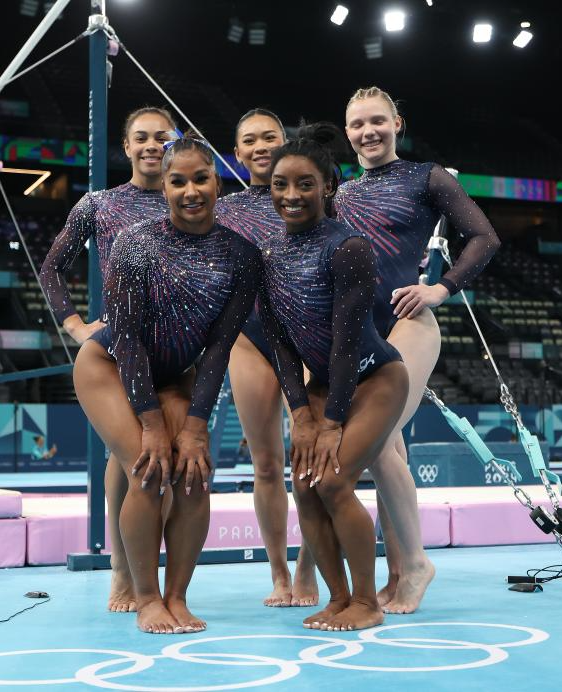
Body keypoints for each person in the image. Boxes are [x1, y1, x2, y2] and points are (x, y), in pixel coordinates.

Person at [74, 135, 262, 634]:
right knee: (148, 468)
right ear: (164, 188)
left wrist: (196, 427)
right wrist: (152, 426)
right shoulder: (135, 244)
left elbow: (218, 348)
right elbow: (128, 341)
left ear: (217, 183)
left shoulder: (242, 256)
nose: (190, 191)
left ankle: (177, 596)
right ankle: (145, 598)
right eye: (178, 182)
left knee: (194, 472)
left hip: (177, 377)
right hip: (108, 368)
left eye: (200, 179)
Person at [335, 86, 501, 613]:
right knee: (390, 451)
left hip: (409, 322)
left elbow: (484, 238)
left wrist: (441, 288)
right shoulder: (341, 193)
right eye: (358, 124)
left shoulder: (427, 177)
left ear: (397, 123)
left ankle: (417, 564)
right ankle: (398, 572)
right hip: (360, 331)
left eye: (377, 121)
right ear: (347, 133)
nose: (369, 132)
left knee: (378, 437)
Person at [258, 125, 409, 632]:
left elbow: (346, 343)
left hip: (375, 378)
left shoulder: (349, 247)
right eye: (280, 184)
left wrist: (332, 422)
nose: (291, 195)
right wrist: (301, 414)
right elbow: (280, 343)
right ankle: (339, 598)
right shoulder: (268, 255)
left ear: (327, 187)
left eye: (305, 184)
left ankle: (367, 601)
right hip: (324, 385)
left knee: (334, 480)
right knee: (304, 487)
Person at [39, 106, 176, 613]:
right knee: (132, 457)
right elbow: (52, 268)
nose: (152, 145)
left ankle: (148, 571)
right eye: (142, 137)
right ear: (126, 146)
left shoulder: (188, 198)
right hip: (120, 347)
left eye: (162, 137)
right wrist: (76, 326)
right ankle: (124, 568)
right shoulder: (100, 204)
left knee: (158, 459)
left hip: (176, 349)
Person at [214, 108, 318, 608]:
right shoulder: (223, 209)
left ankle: (308, 568)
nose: (261, 146)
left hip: (305, 337)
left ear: (286, 141)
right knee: (268, 465)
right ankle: (278, 573)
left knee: (311, 462)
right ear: (237, 153)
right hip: (249, 341)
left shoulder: (312, 200)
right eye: (250, 140)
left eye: (270, 137)